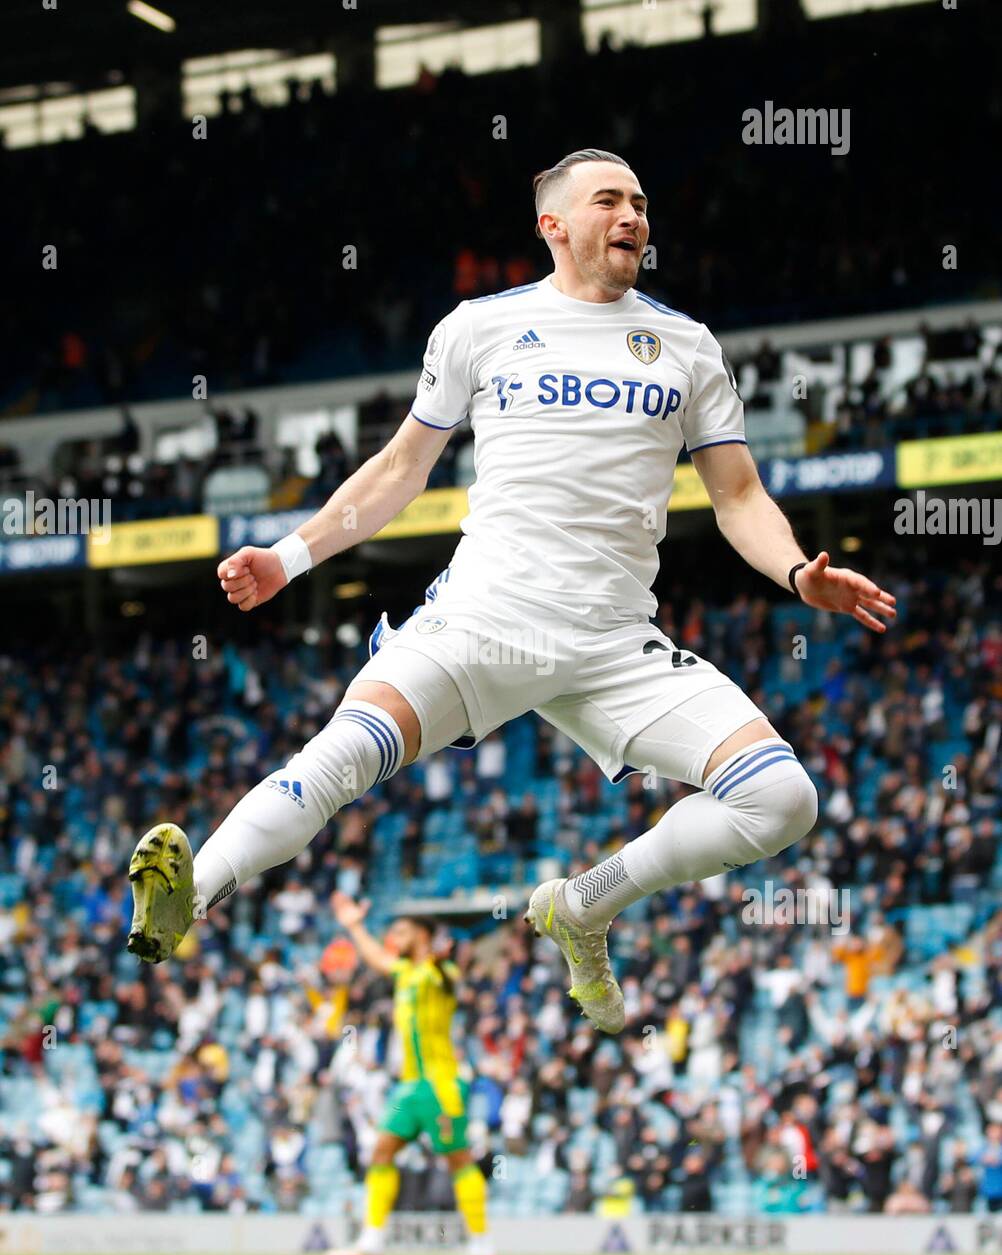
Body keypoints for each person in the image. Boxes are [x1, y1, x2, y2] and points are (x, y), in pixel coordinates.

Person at [127, 149, 896, 1040]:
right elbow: (399, 471)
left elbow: (737, 495)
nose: (633, 217)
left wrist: (799, 571)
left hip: (613, 638)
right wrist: (290, 557)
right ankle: (193, 894)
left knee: (784, 800)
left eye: (641, 203)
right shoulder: (478, 329)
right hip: (484, 620)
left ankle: (583, 906)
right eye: (609, 201)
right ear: (554, 225)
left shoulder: (686, 345)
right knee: (344, 752)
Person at [322, 892, 493, 1255]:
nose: (393, 937)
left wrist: (438, 950)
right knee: (381, 1153)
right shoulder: (405, 972)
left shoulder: (438, 973)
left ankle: (482, 1249)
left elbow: (449, 972)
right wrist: (353, 926)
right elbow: (379, 959)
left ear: (420, 934)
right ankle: (371, 1243)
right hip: (409, 1086)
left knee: (458, 1160)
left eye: (401, 931)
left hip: (440, 1084)